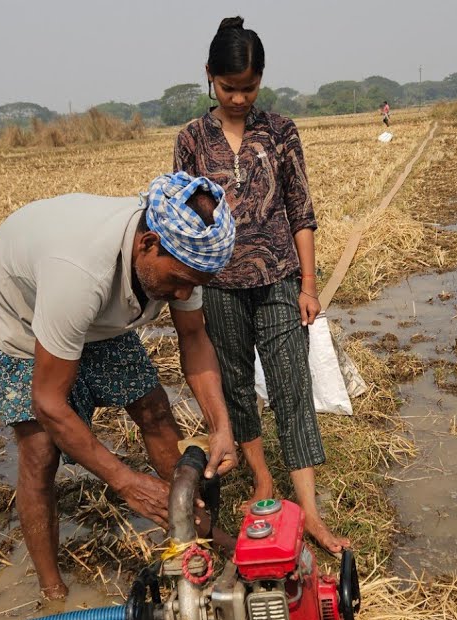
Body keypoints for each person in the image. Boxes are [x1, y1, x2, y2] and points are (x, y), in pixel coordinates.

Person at [0, 172, 239, 600]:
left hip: (96, 315)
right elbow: (48, 403)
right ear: (148, 244)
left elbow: (193, 338)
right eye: (178, 281)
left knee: (153, 408)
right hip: (23, 318)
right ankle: (53, 592)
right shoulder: (79, 274)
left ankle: (195, 537)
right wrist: (125, 481)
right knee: (40, 453)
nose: (184, 293)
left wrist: (220, 425)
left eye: (195, 284)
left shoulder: (182, 259)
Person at [173, 17, 351, 555]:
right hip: (220, 287)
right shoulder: (191, 141)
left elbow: (301, 211)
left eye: (249, 88)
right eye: (229, 88)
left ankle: (311, 515)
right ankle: (261, 479)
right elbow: (186, 222)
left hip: (278, 279)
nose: (239, 98)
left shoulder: (280, 131)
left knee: (293, 386)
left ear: (262, 80)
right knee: (234, 387)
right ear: (209, 77)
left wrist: (309, 285)